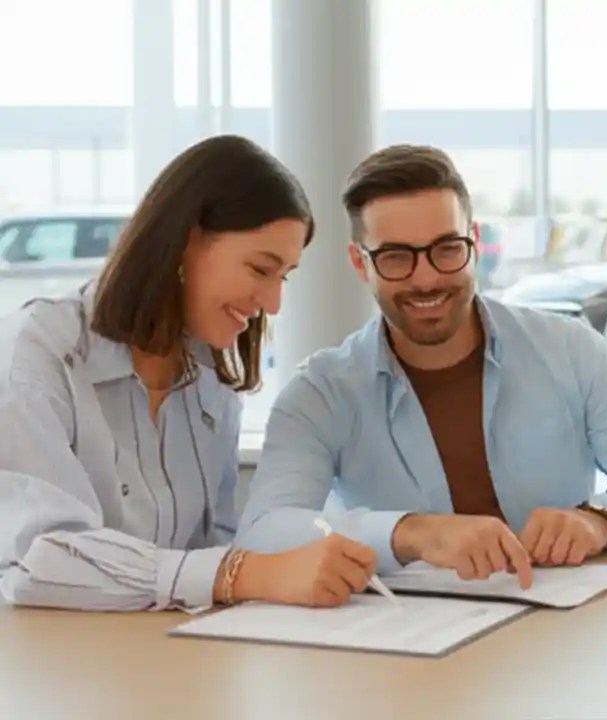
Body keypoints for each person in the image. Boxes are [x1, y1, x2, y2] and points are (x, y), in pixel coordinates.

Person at [236, 145, 607, 585]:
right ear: (360, 264)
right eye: (397, 257)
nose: (427, 278)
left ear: (474, 242)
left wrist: (600, 519)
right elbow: (264, 530)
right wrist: (413, 533)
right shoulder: (320, 393)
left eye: (446, 249)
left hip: (566, 633)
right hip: (404, 645)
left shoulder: (570, 350)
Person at [0, 135, 378, 612]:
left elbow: (206, 556)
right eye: (261, 269)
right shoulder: (36, 356)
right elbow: (40, 560)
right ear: (186, 241)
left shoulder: (213, 388)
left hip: (170, 663)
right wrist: (243, 573)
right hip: (45, 669)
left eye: (283, 276)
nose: (273, 303)